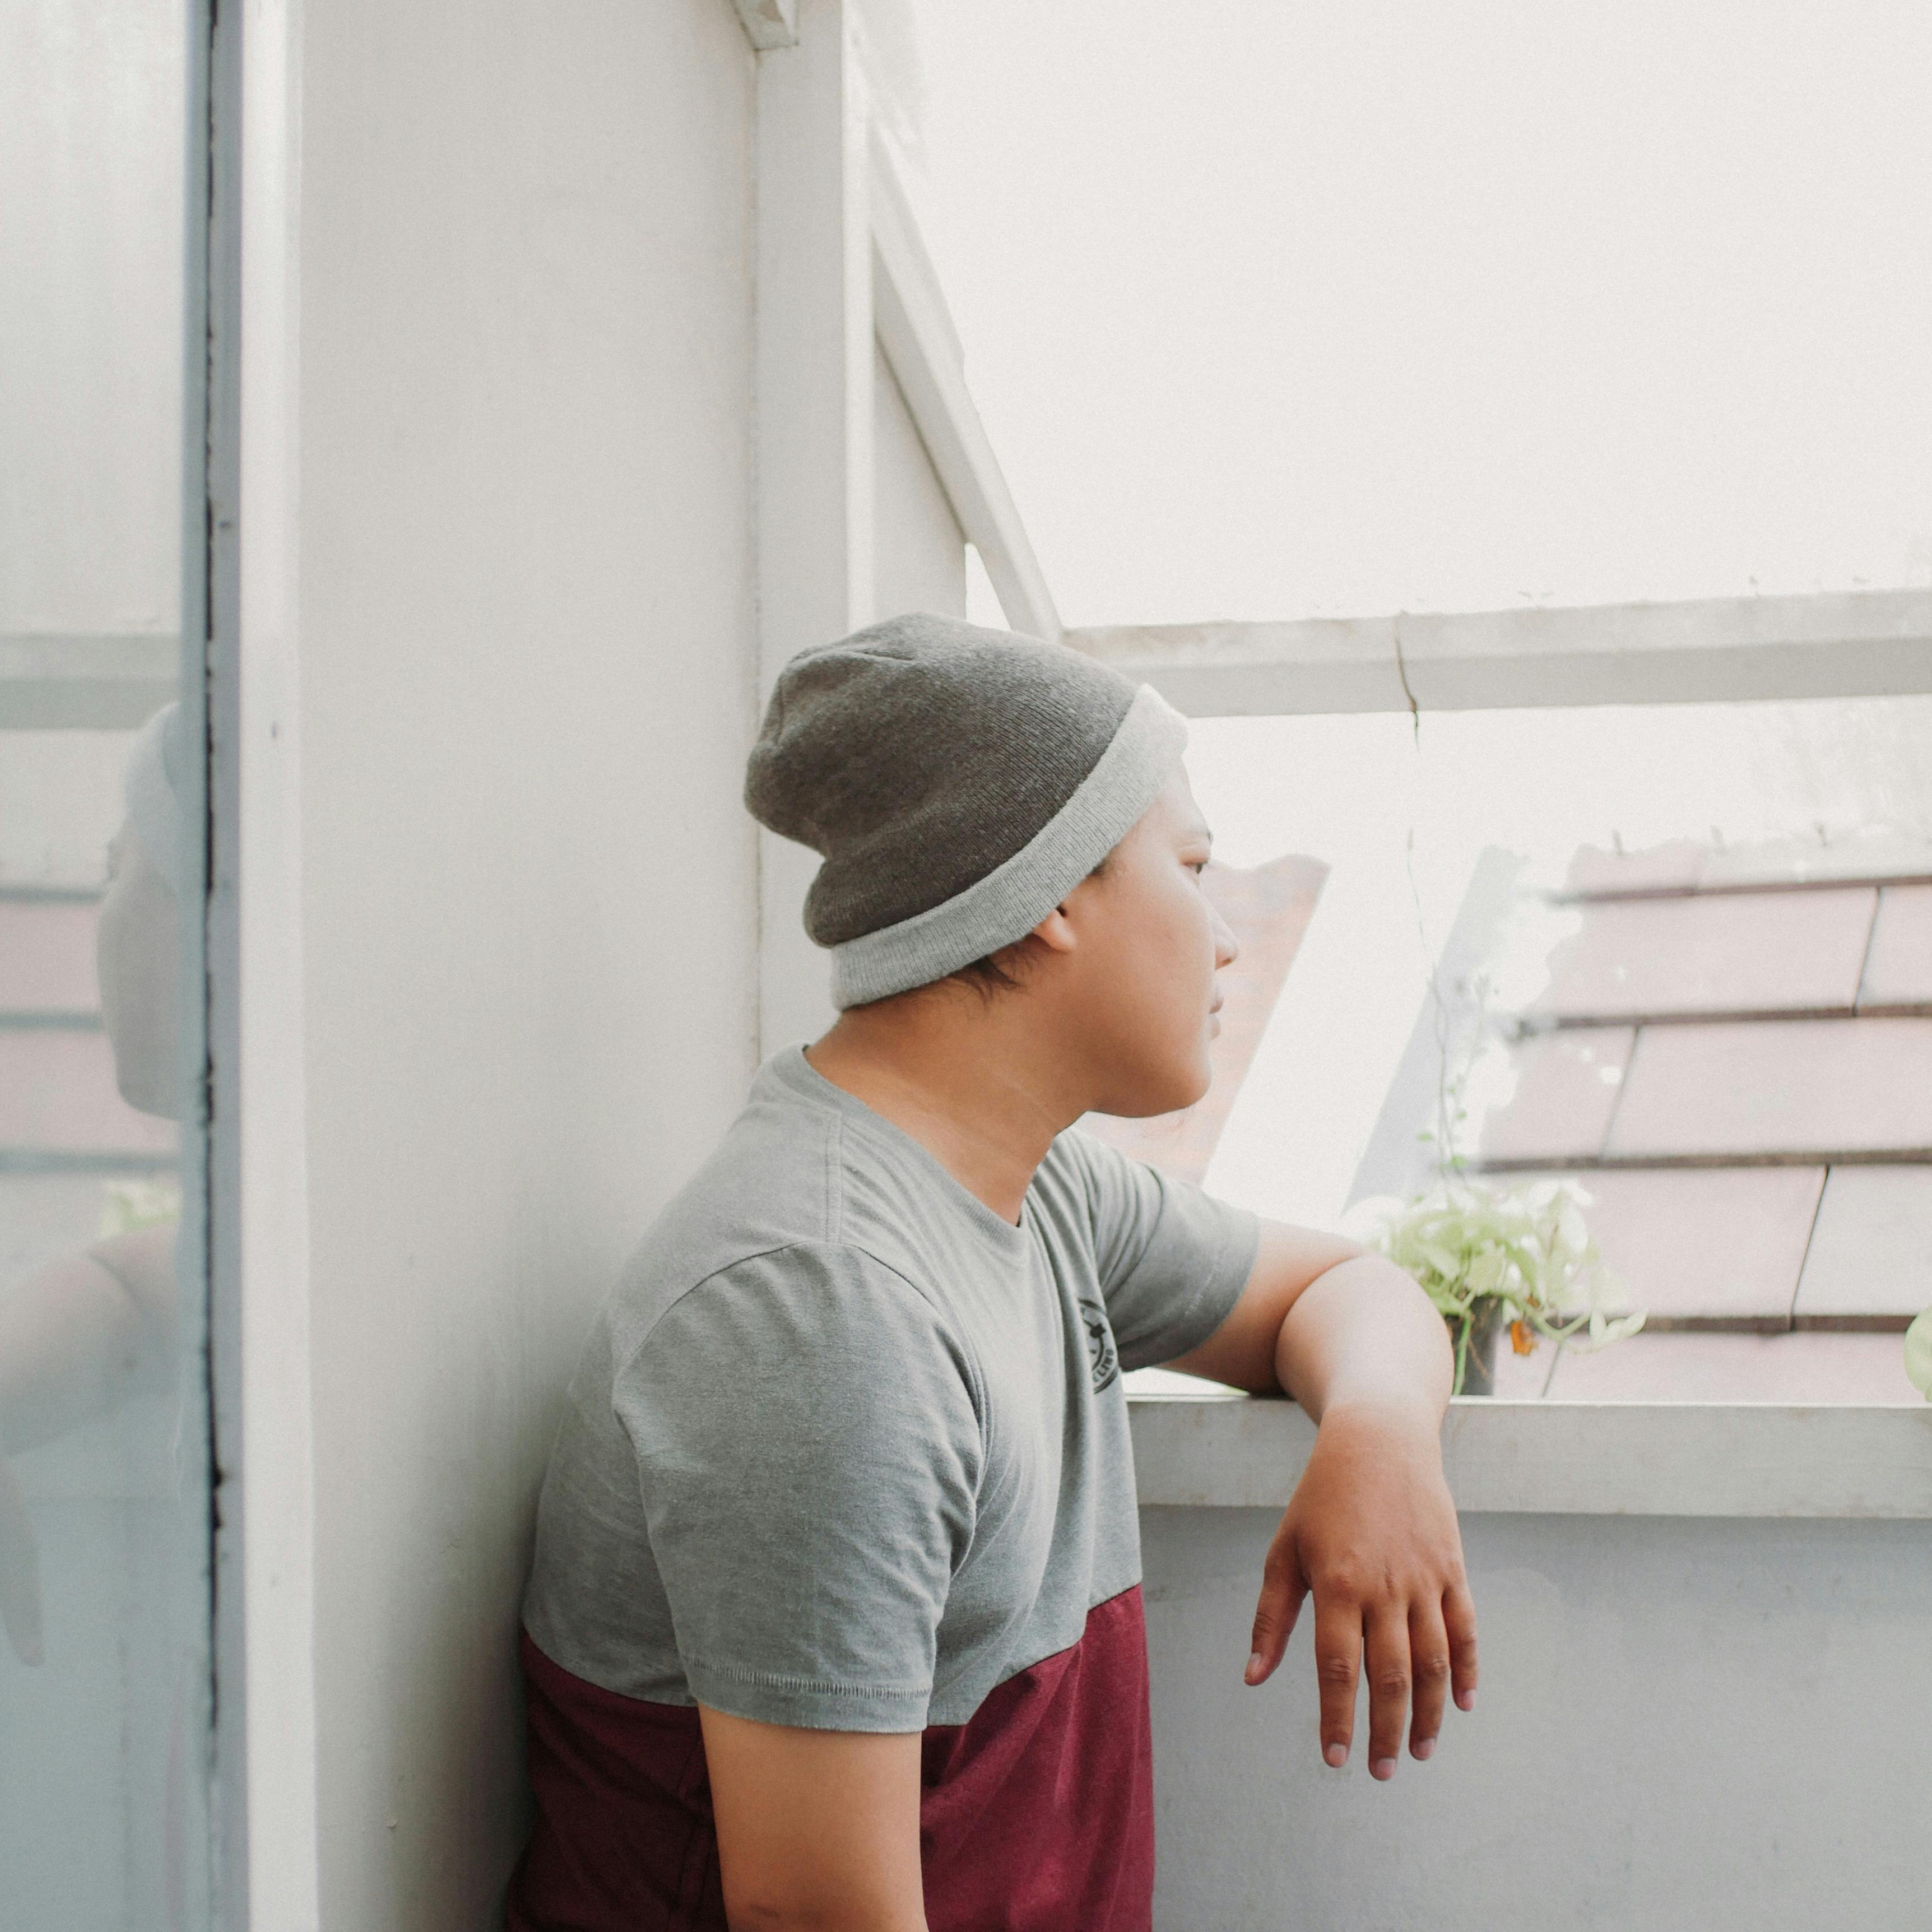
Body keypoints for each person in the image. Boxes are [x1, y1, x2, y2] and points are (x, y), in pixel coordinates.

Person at [509, 617, 1475, 1932]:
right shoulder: (824, 1307)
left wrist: (1376, 1433)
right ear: (1052, 894)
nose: (1227, 933)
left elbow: (1349, 1289)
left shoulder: (1034, 1187)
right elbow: (818, 1916)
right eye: (1191, 863)